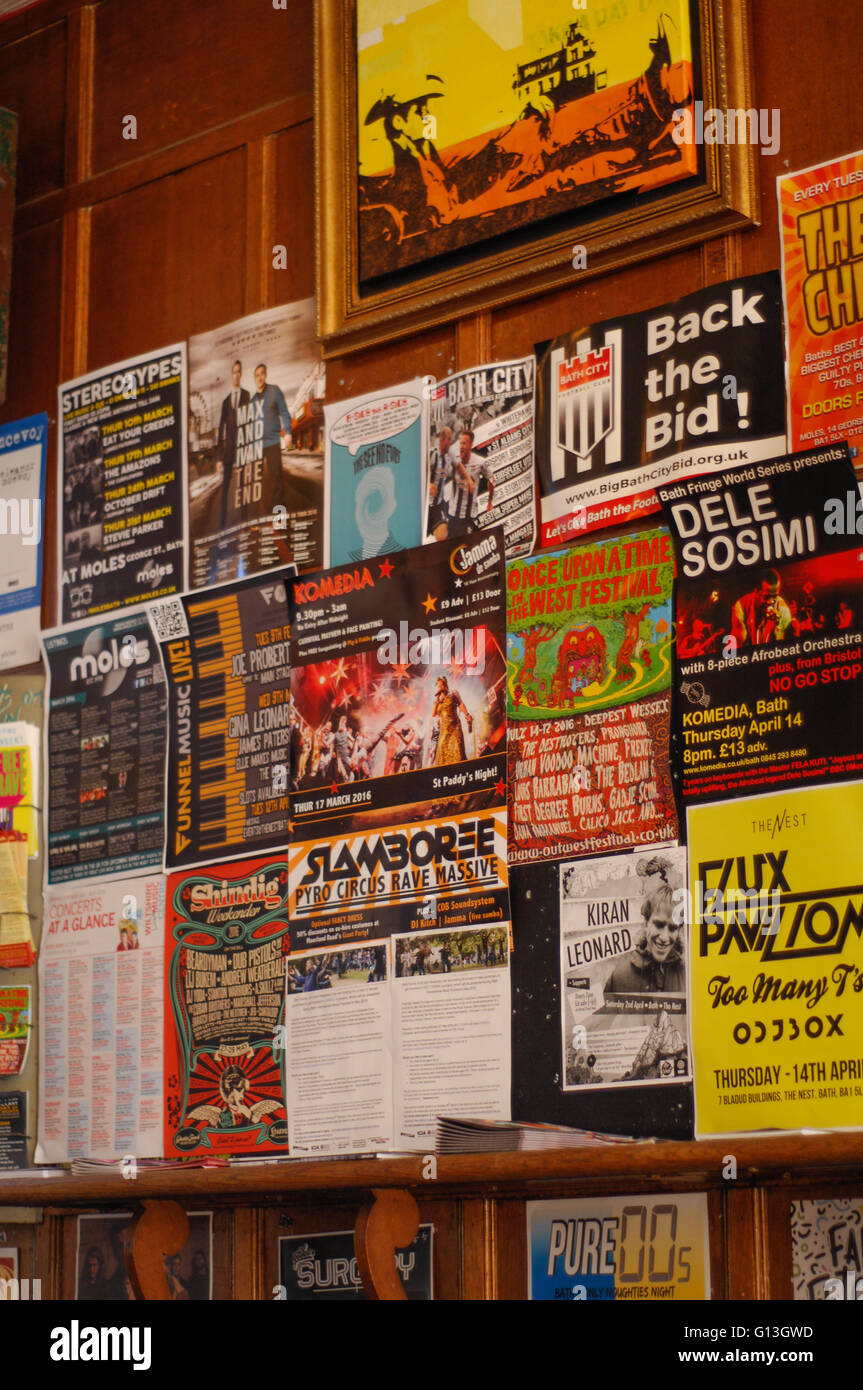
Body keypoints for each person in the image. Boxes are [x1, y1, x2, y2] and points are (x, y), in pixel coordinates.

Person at [603, 884, 685, 995]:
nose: (664, 937)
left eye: (672, 928)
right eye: (659, 925)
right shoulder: (620, 976)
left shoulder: (688, 976)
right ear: (646, 923)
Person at [250, 363, 292, 514]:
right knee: (255, 483)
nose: (260, 377)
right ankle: (256, 516)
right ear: (254, 379)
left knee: (276, 481)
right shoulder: (253, 401)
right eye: (257, 375)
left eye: (262, 374)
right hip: (257, 447)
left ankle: (279, 518)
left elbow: (284, 412)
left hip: (273, 443)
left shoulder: (274, 391)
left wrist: (287, 432)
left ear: (265, 375)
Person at [217, 360, 249, 529]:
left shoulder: (247, 396)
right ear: (231, 375)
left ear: (241, 374)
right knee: (225, 490)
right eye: (234, 372)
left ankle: (244, 523)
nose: (236, 375)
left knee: (244, 489)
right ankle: (222, 525)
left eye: (238, 372)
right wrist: (218, 458)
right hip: (228, 452)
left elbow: (250, 424)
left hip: (242, 450)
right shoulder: (225, 402)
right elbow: (220, 430)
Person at [446, 430, 494, 537]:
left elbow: (491, 478)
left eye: (464, 443)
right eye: (460, 443)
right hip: (453, 513)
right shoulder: (454, 461)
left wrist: (490, 501)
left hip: (469, 514)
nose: (461, 447)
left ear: (471, 445)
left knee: (466, 546)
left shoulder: (480, 461)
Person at [731, 570, 792, 648]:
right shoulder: (741, 606)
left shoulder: (784, 610)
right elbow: (738, 644)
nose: (771, 601)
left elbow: (786, 648)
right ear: (756, 591)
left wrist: (777, 626)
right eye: (767, 597)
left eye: (775, 596)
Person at [432, 676, 472, 765]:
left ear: (445, 684)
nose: (440, 688)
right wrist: (437, 700)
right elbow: (434, 714)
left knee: (457, 749)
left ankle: (459, 771)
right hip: (444, 730)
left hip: (455, 727)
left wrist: (467, 714)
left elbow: (460, 703)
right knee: (442, 750)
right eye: (438, 686)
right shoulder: (438, 700)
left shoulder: (453, 693)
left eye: (441, 685)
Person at [427, 425, 455, 539]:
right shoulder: (431, 455)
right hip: (422, 506)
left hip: (436, 505)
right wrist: (427, 485)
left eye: (449, 439)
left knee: (443, 535)